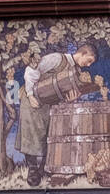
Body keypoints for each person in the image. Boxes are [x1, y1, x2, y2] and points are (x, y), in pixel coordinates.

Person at [20, 41, 99, 186]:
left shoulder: (75, 72)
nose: (89, 65)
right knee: (32, 135)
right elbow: (32, 70)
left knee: (49, 135)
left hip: (49, 106)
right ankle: (33, 172)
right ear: (82, 53)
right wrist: (30, 95)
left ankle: (43, 170)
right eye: (89, 61)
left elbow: (61, 93)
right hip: (33, 102)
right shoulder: (57, 59)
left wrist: (71, 99)